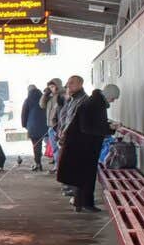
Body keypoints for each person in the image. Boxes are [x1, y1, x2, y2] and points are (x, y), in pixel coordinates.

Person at [57, 81, 114, 212]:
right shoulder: (95, 104)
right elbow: (88, 128)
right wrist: (109, 129)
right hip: (84, 147)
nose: (113, 101)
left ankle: (80, 203)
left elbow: (92, 125)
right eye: (113, 98)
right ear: (108, 95)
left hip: (81, 146)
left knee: (81, 176)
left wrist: (108, 128)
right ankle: (86, 204)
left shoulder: (94, 102)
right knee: (85, 177)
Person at [21, 84, 49, 171]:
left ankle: (38, 163)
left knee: (36, 145)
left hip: (33, 126)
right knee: (50, 143)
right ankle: (56, 162)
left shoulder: (28, 100)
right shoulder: (45, 98)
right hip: (46, 124)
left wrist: (24, 125)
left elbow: (24, 114)